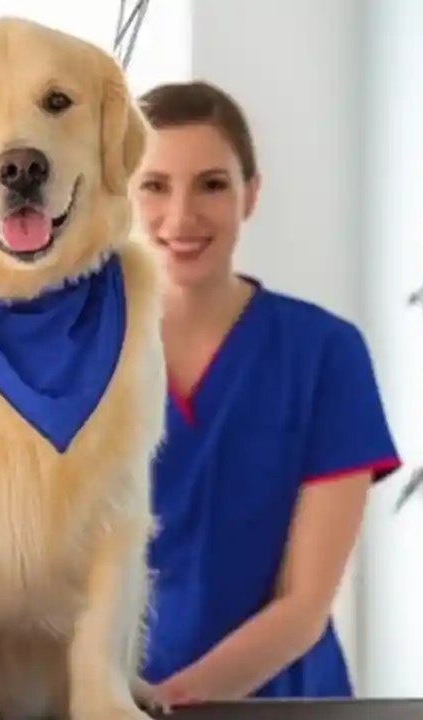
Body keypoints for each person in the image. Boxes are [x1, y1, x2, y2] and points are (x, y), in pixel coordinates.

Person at [131, 80, 402, 706]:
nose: (181, 216)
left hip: (282, 702)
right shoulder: (82, 362)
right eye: (154, 186)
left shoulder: (325, 354)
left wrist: (165, 705)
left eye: (212, 184)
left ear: (250, 194)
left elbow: (303, 606)